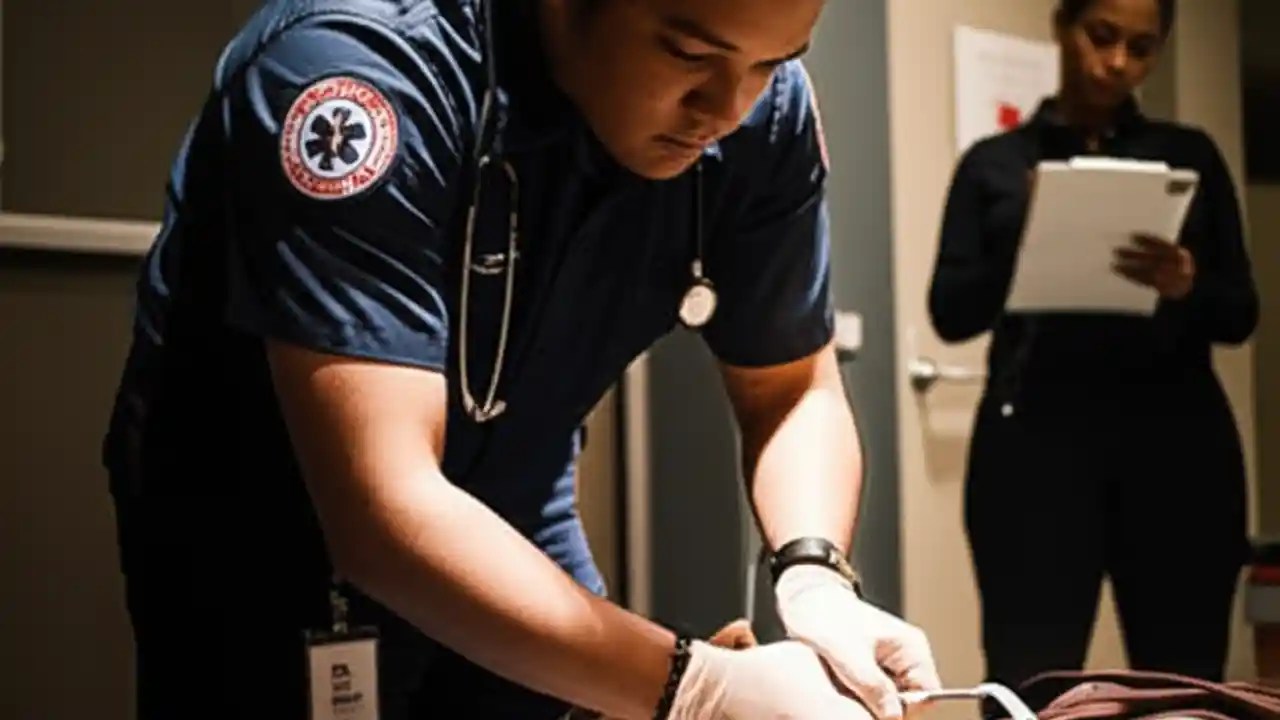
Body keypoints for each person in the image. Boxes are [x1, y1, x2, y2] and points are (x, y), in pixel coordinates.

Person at [102, 0, 942, 718]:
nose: (729, 107)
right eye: (689, 54)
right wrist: (699, 688)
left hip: (517, 499)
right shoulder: (358, 69)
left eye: (773, 62)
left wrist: (815, 576)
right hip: (264, 538)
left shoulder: (764, 109)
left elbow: (791, 389)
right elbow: (381, 511)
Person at [929, 0, 1257, 701]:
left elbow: (1241, 314)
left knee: (1186, 684)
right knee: (1031, 681)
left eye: (1141, 48)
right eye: (1101, 37)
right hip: (1034, 455)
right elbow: (949, 312)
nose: (1117, 63)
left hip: (1178, 451)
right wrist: (1029, 237)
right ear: (1063, 25)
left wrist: (1188, 282)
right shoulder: (994, 165)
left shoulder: (1189, 154)